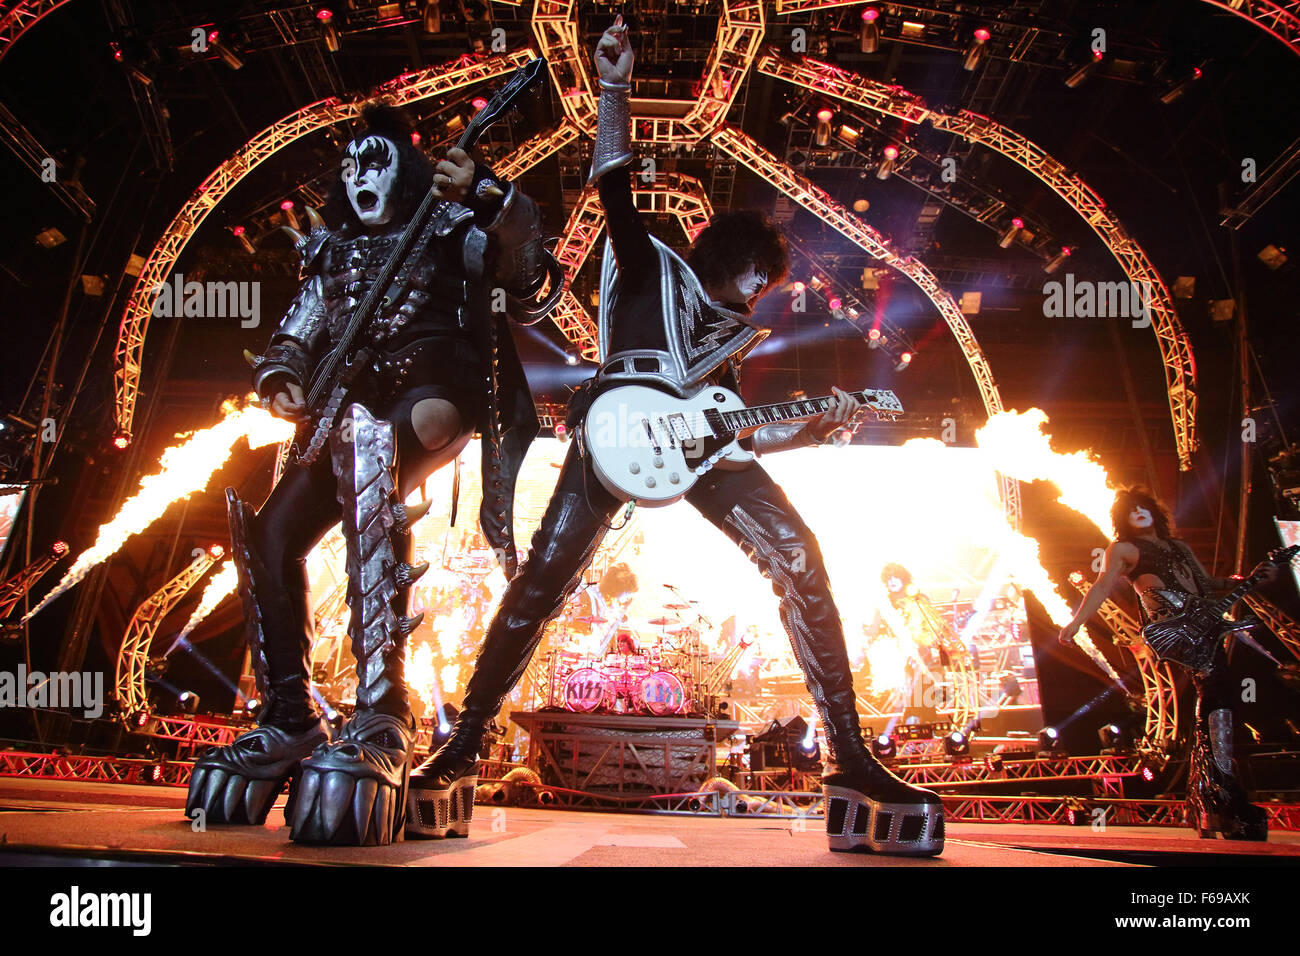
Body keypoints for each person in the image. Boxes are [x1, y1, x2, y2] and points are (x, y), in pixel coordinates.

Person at [403, 17, 945, 855]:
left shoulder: (731, 336)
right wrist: (613, 92)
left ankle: (851, 758)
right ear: (731, 263)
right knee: (539, 585)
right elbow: (613, 185)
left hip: (695, 454)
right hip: (612, 425)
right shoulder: (652, 263)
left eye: (758, 296)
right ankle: (463, 745)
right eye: (750, 285)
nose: (753, 301)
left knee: (798, 556)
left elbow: (730, 437)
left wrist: (815, 425)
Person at [184, 103, 559, 846]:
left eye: (378, 160)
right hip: (351, 401)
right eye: (352, 164)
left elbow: (532, 281)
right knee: (268, 535)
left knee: (372, 453)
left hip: (434, 387)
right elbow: (298, 326)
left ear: (408, 168)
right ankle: (287, 714)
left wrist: (489, 195)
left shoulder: (449, 226)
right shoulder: (333, 251)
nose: (362, 175)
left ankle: (383, 709)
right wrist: (283, 374)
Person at [1060, 487, 1279, 840]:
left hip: (1206, 627)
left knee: (1220, 695)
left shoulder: (1178, 547)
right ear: (1122, 518)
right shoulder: (1124, 549)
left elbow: (1207, 586)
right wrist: (1076, 622)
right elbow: (1100, 588)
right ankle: (1219, 791)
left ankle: (1215, 793)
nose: (1138, 512)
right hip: (1176, 630)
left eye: (1143, 506)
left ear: (1153, 510)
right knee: (1215, 691)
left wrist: (1249, 579)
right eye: (1130, 509)